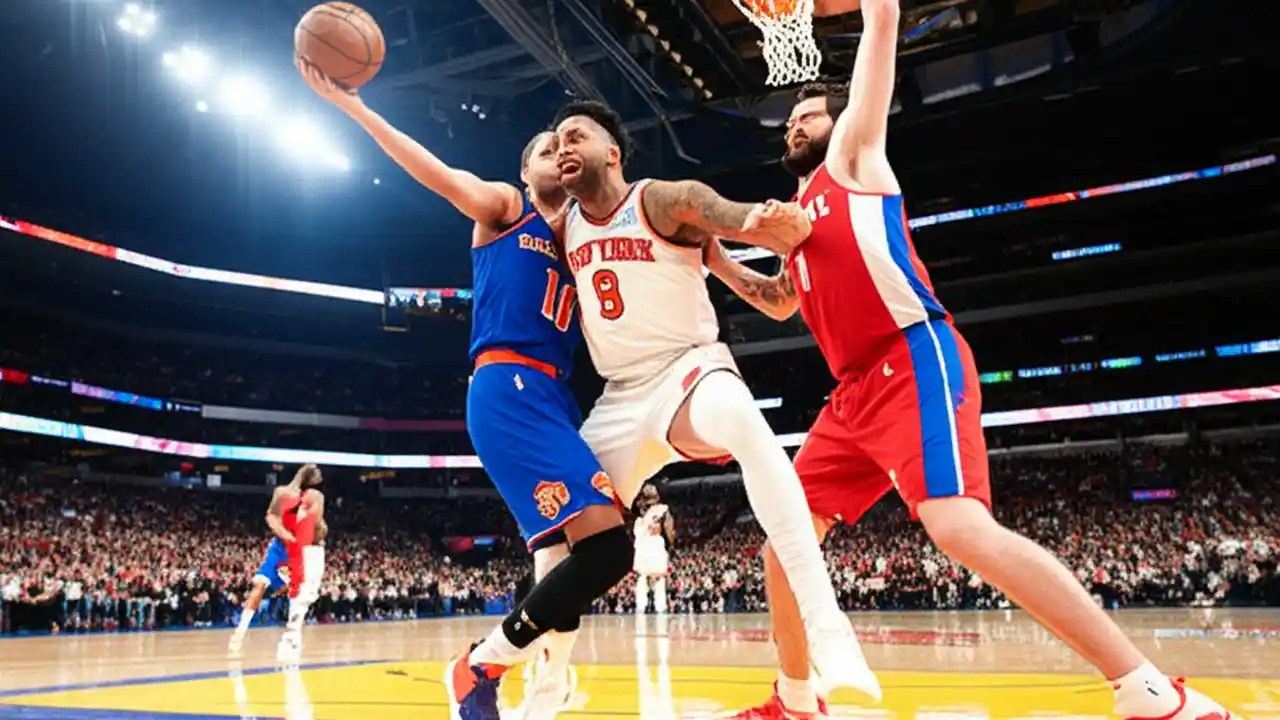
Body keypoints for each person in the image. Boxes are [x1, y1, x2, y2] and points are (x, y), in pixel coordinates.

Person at [705, 1, 1232, 718]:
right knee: (782, 543)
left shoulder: (853, 160)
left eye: (809, 115)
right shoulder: (794, 224)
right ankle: (797, 701)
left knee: (956, 526)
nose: (795, 124)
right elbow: (778, 303)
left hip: (911, 355)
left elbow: (883, 20)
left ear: (840, 121)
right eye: (790, 122)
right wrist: (720, 258)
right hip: (852, 394)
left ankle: (1148, 688)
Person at [296, 61, 629, 720]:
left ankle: (538, 686)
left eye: (566, 145)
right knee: (608, 548)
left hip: (554, 397)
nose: (558, 153)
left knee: (562, 559)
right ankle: (481, 664)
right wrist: (356, 111)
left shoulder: (580, 244)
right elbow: (441, 176)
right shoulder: (508, 209)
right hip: (509, 386)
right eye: (544, 148)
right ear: (525, 169)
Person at [547, 99, 880, 701]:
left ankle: (827, 624)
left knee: (745, 423)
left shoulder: (663, 201)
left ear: (612, 152)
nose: (564, 147)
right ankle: (549, 680)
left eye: (576, 136)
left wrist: (774, 222)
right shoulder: (559, 226)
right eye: (555, 141)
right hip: (618, 397)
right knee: (557, 526)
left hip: (688, 370)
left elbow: (767, 276)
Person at [266, 464, 326, 664]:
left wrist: (285, 533)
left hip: (295, 546)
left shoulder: (282, 492)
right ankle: (291, 637)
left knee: (301, 593)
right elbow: (316, 522)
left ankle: (293, 634)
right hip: (310, 547)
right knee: (305, 594)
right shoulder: (315, 496)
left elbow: (272, 517)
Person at [227, 537, 289, 655]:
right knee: (259, 586)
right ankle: (239, 632)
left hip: (293, 557)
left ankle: (294, 632)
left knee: (294, 592)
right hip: (278, 552)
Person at [632, 483, 674, 616]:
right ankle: (660, 607)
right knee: (659, 578)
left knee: (642, 576)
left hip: (642, 543)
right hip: (655, 543)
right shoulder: (663, 510)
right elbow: (669, 529)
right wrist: (670, 545)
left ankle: (640, 607)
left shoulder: (637, 513)